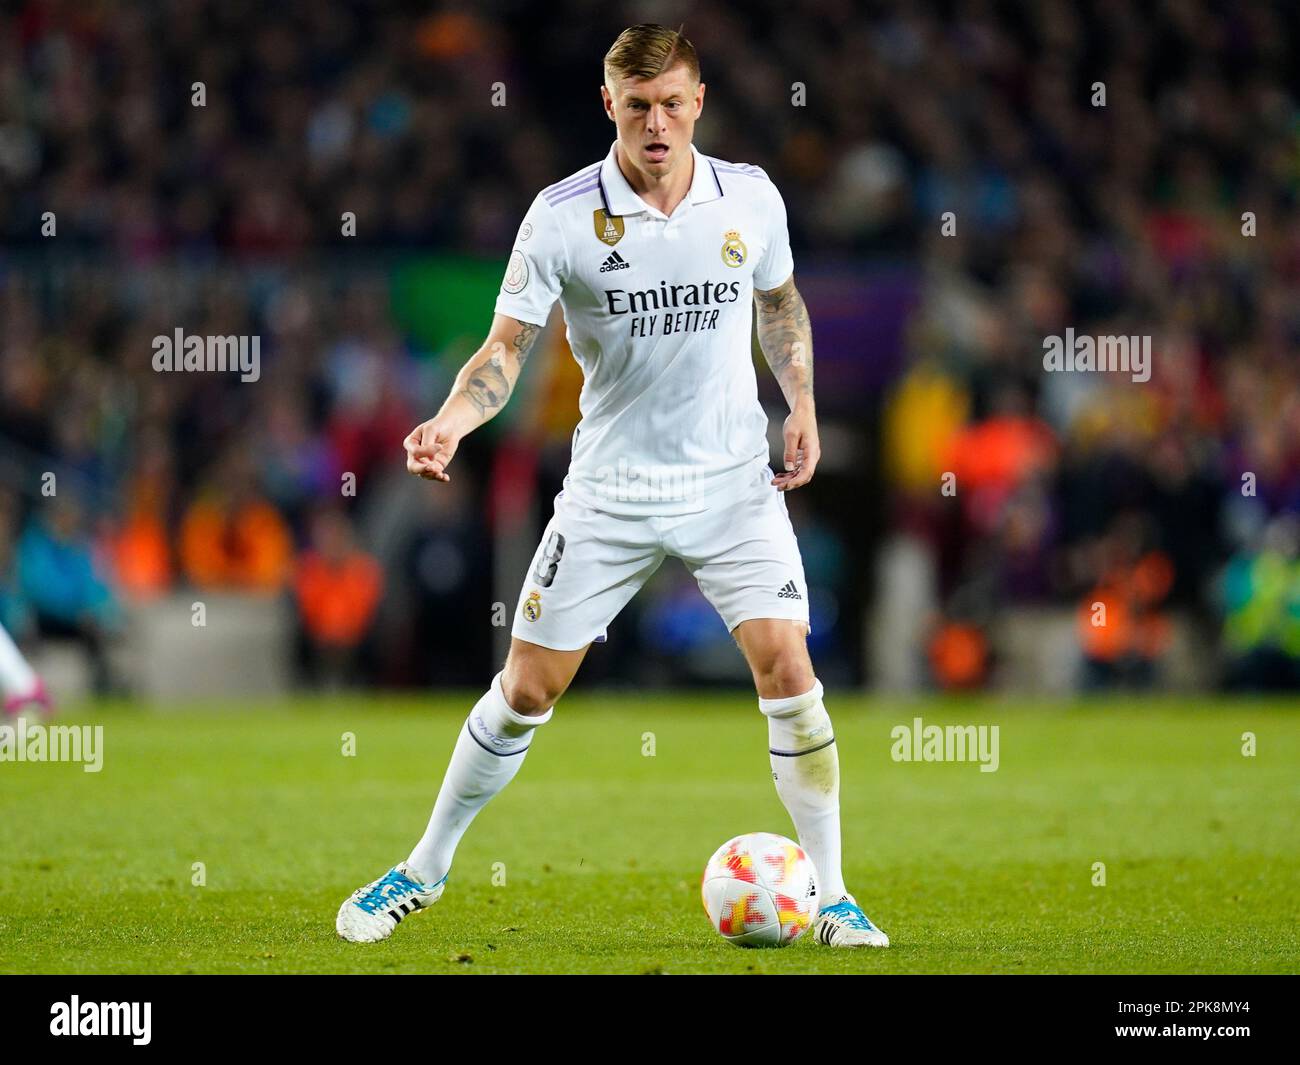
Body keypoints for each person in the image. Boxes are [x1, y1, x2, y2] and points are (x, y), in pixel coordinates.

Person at [337, 24, 888, 948]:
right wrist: (451, 422)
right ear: (610, 106)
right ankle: (422, 870)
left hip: (731, 481)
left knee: (790, 667)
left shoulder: (749, 198)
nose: (658, 123)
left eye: (673, 103)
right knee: (527, 688)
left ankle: (832, 896)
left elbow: (780, 302)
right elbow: (505, 348)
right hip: (612, 488)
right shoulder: (560, 216)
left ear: (699, 102)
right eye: (638, 106)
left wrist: (801, 402)